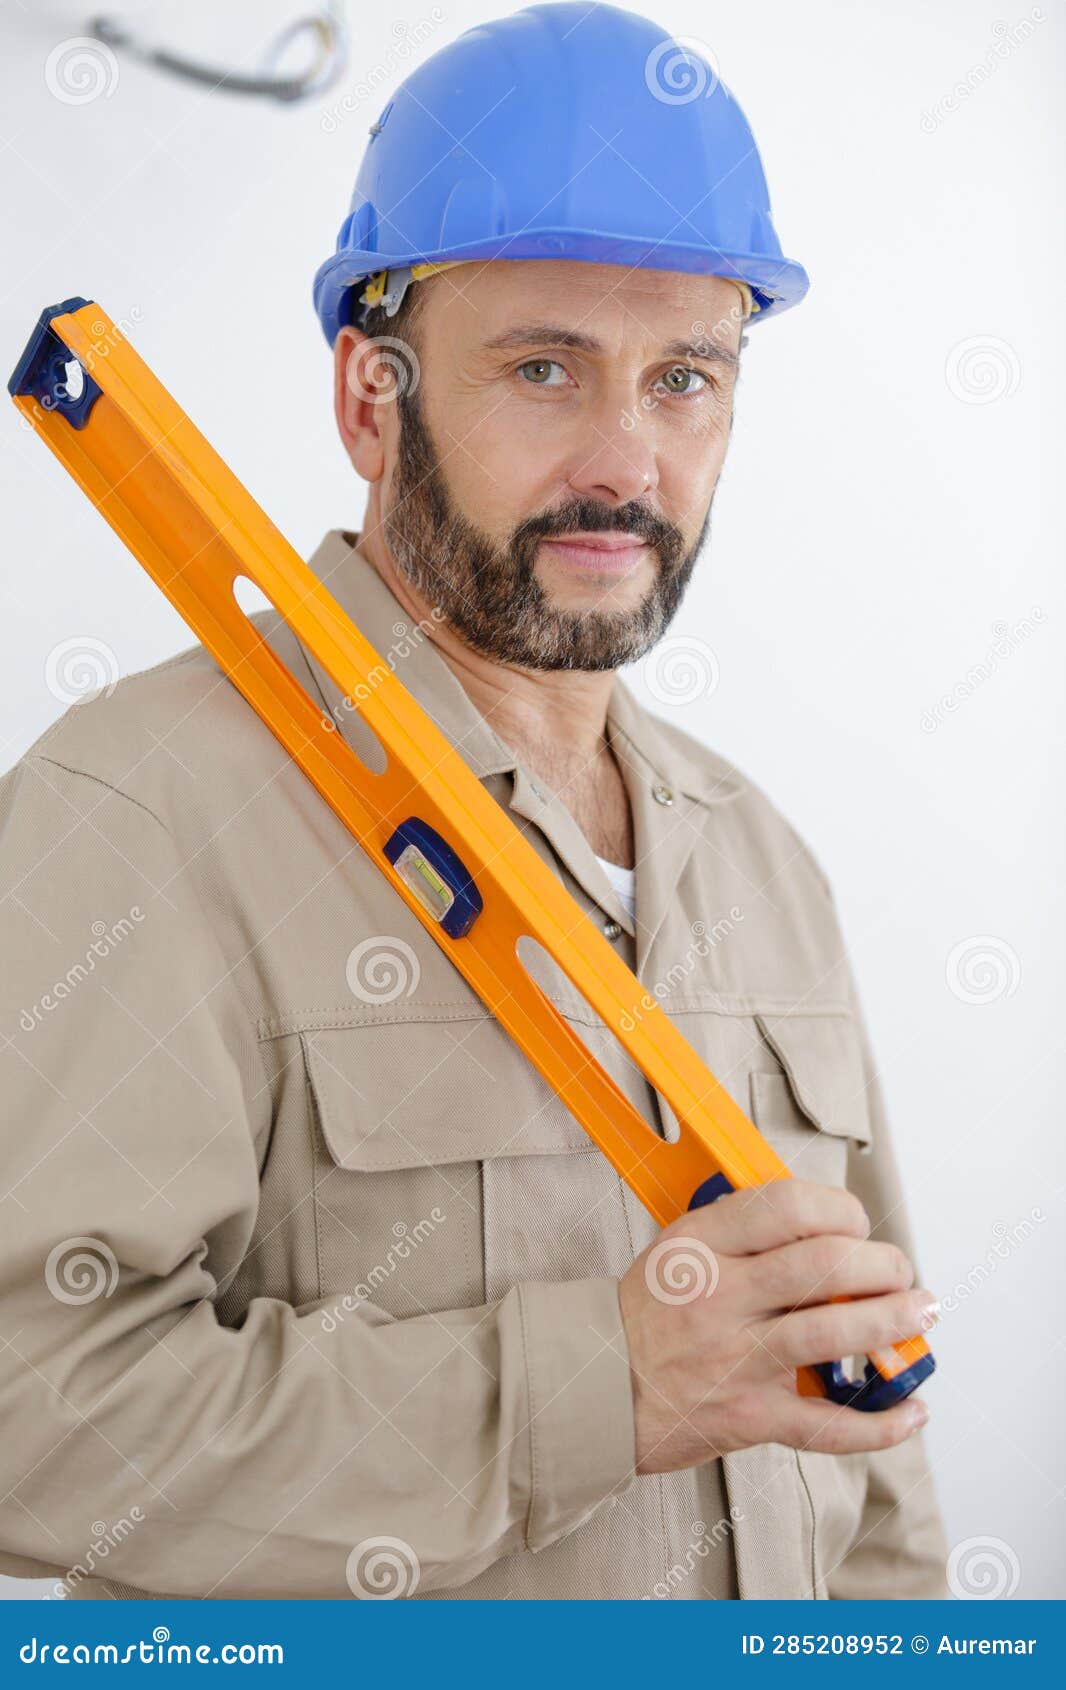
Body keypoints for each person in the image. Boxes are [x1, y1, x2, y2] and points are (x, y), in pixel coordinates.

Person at [0, 2, 946, 1599]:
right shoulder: (141, 809)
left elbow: (874, 1457)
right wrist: (600, 1390)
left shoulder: (762, 860)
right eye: (541, 368)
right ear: (371, 399)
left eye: (683, 380)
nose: (623, 459)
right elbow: (31, 1413)